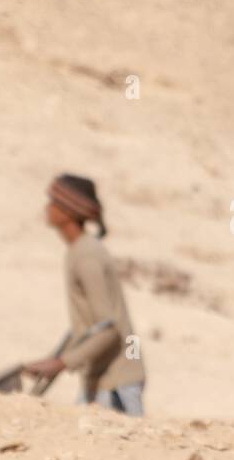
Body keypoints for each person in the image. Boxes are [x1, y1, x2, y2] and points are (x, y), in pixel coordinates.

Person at [24, 175, 146, 415]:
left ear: (68, 211)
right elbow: (88, 326)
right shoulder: (79, 251)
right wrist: (53, 359)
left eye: (53, 202)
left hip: (116, 383)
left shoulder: (87, 256)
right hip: (99, 380)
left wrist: (61, 364)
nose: (47, 208)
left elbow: (108, 329)